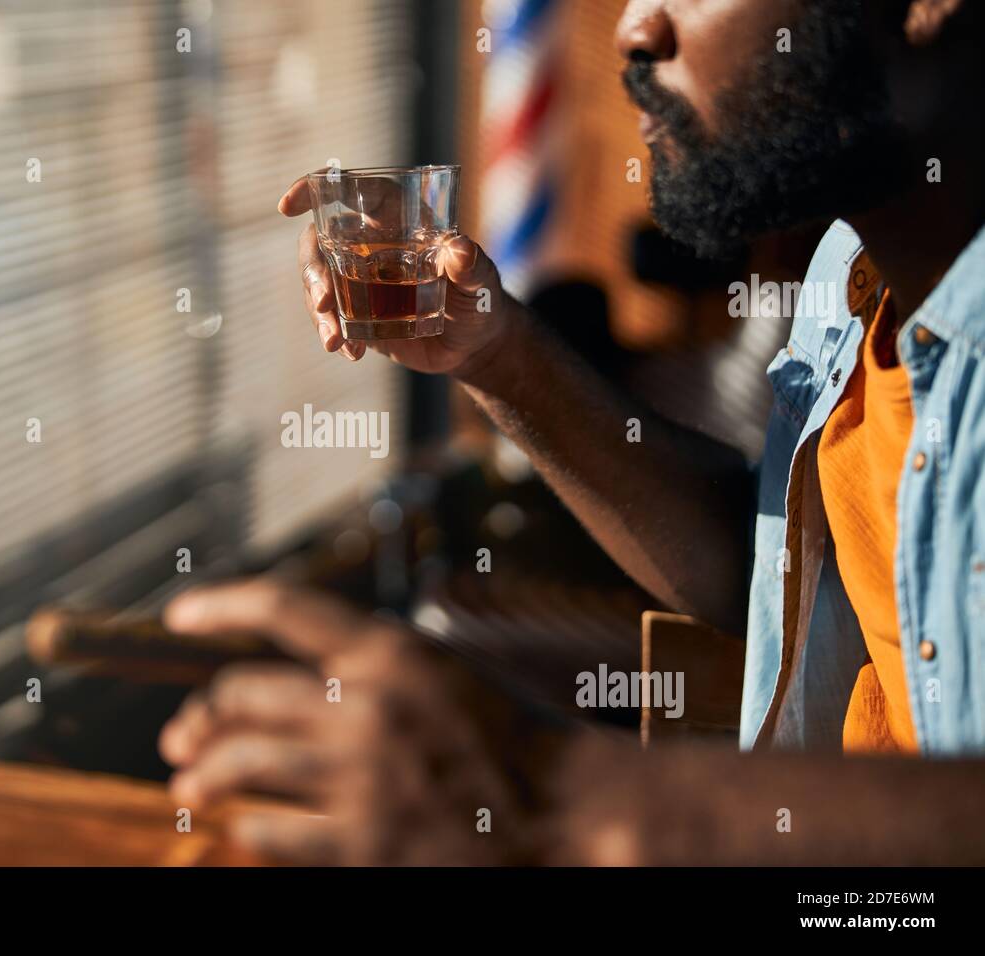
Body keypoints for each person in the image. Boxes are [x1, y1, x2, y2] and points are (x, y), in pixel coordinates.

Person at [157, 0, 985, 864]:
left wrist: (552, 796)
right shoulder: (847, 275)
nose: (634, 28)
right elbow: (772, 571)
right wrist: (498, 353)